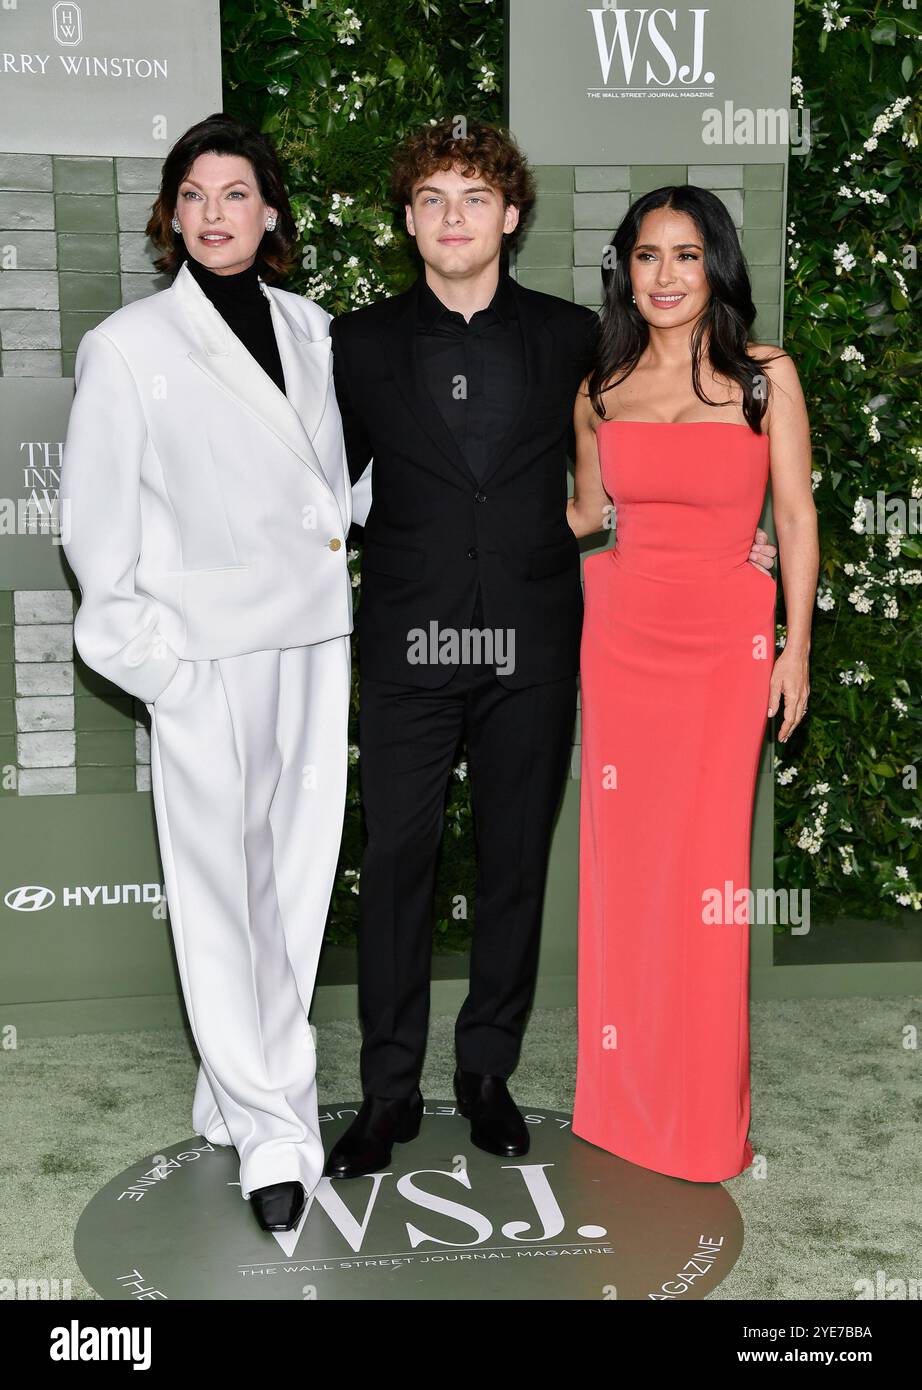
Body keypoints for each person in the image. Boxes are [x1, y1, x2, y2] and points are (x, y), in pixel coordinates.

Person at [325, 123, 778, 1179]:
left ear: (510, 217)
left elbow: (634, 466)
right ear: (407, 219)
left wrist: (733, 532)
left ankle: (485, 1072)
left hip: (534, 643)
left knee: (513, 864)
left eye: (473, 198)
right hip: (408, 642)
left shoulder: (578, 338)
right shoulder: (356, 343)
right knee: (397, 862)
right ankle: (387, 1090)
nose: (452, 217)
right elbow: (317, 492)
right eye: (431, 198)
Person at [59, 114, 354, 1232]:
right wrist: (160, 670)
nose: (215, 213)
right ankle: (277, 1130)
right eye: (194, 194)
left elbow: (334, 486)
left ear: (270, 211)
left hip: (314, 643)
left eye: (236, 193)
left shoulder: (315, 329)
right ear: (172, 215)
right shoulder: (129, 345)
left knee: (291, 885)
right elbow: (95, 535)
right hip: (209, 658)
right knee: (222, 897)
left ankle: (233, 1093)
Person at [567, 185, 818, 1181]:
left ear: (714, 265)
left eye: (684, 255)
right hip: (621, 638)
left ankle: (704, 1123)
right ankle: (622, 1109)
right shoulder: (600, 383)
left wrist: (796, 646)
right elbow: (586, 513)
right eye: (645, 257)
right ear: (624, 270)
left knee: (705, 885)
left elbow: (793, 516)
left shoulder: (764, 378)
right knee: (625, 881)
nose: (664, 277)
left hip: (724, 648)